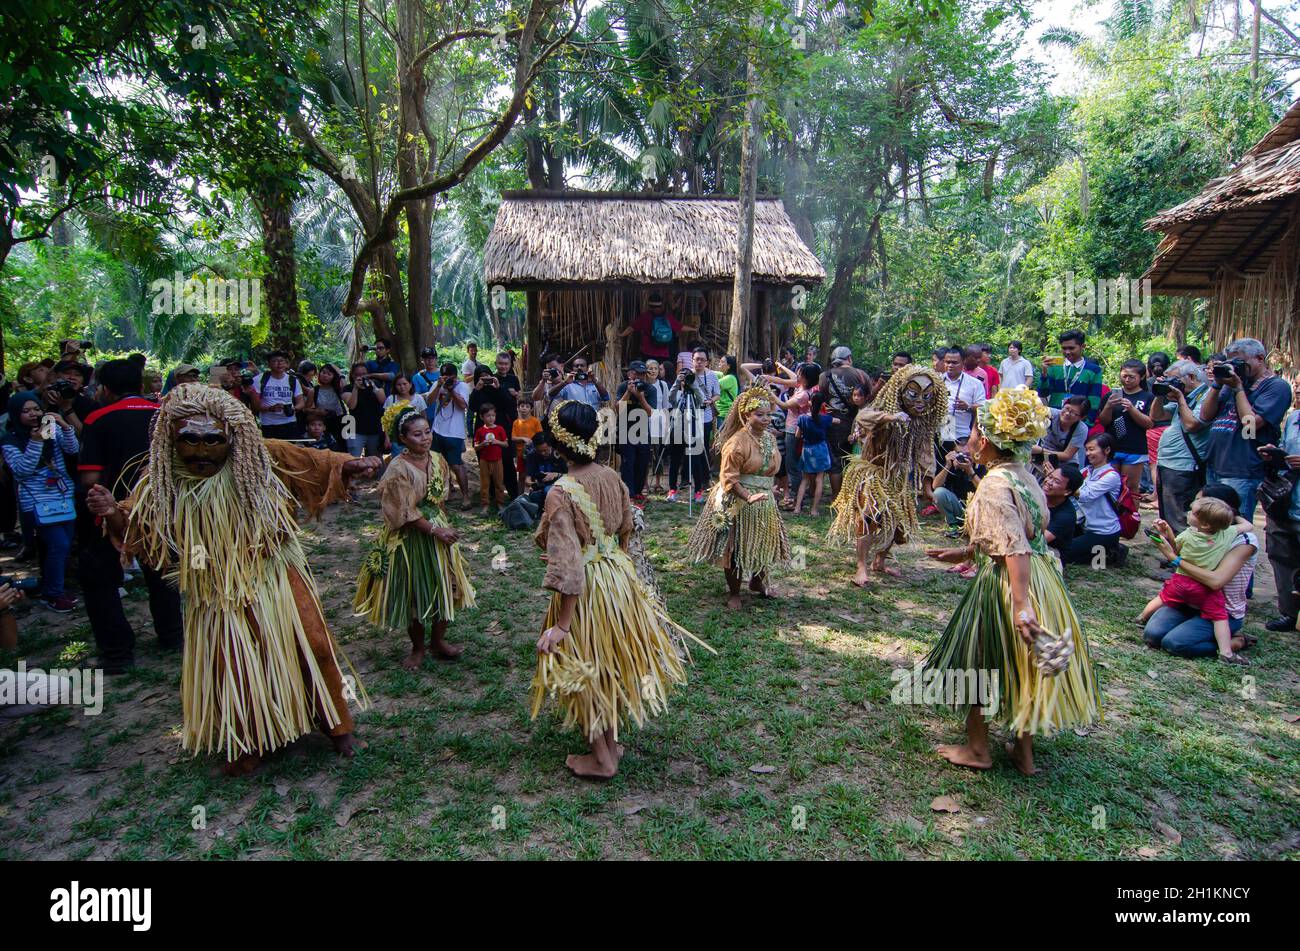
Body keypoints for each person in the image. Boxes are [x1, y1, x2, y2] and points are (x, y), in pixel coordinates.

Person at [86, 384, 380, 774]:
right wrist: (112, 512)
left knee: (313, 645)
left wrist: (347, 464)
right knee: (233, 665)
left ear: (232, 437)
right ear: (172, 439)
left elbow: (311, 459)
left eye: (213, 439)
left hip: (275, 573)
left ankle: (337, 726)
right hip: (216, 589)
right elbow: (139, 526)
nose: (200, 450)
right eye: (189, 439)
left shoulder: (262, 455)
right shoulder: (162, 477)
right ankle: (247, 744)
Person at [923, 387, 1100, 775]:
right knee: (1023, 664)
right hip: (1042, 577)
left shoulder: (992, 484)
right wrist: (967, 552)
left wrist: (1021, 604)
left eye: (973, 435)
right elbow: (1019, 532)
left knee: (982, 659)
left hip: (1010, 582)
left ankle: (977, 750)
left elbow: (1013, 546)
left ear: (984, 440)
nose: (969, 440)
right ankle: (1024, 752)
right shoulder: (1027, 476)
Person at [530, 400, 703, 779]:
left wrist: (562, 625)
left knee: (582, 665)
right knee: (608, 662)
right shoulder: (611, 475)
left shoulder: (560, 492)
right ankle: (610, 744)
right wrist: (607, 558)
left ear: (558, 446)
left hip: (588, 592)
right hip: (618, 581)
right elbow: (625, 526)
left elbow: (570, 567)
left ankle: (603, 760)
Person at [76, 359, 183, 673]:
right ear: (140, 386)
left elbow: (90, 478)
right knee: (162, 568)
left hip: (109, 513)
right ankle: (172, 636)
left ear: (105, 390)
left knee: (99, 579)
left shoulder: (98, 418)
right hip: (157, 508)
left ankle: (117, 654)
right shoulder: (162, 416)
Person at [355, 404, 475, 669]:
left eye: (427, 431)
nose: (426, 438)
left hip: (438, 532)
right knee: (415, 592)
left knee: (446, 586)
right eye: (417, 435)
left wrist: (442, 523)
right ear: (403, 439)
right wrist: (435, 529)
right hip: (410, 537)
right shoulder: (397, 469)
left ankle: (438, 641)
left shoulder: (437, 459)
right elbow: (403, 512)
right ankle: (418, 647)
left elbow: (439, 497)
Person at [831, 364, 947, 584]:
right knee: (867, 517)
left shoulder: (922, 424)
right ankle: (861, 566)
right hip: (873, 474)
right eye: (913, 394)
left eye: (927, 396)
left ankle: (880, 561)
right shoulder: (884, 409)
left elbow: (926, 455)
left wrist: (927, 486)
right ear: (901, 391)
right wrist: (890, 418)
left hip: (898, 478)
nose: (920, 401)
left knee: (897, 524)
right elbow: (864, 417)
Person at [687, 384, 791, 609]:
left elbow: (769, 467)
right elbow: (729, 478)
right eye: (760, 415)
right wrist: (746, 495)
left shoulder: (769, 439)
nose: (766, 419)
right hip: (738, 501)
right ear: (746, 415)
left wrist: (770, 487)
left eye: (768, 415)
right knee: (734, 546)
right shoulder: (736, 442)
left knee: (763, 543)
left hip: (763, 501)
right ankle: (734, 591)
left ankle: (757, 582)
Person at [1145, 484, 1259, 658]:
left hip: (1220, 610)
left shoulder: (1242, 539)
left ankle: (1235, 641)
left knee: (1175, 644)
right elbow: (1181, 554)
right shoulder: (1198, 531)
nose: (1193, 506)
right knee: (1152, 635)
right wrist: (1167, 538)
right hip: (1188, 600)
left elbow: (1216, 581)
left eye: (1199, 502)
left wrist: (1174, 559)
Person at [1197, 337, 1291, 522]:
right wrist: (1217, 383)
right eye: (1230, 362)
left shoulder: (1276, 386)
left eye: (1240, 362)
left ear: (1260, 358)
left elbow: (1251, 424)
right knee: (1211, 525)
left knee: (1234, 526)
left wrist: (1238, 389)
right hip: (1216, 464)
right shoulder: (1231, 383)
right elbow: (1205, 416)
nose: (1235, 367)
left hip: (1243, 470)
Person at [2, 392, 79, 612]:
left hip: (63, 498)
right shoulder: (11, 439)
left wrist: (64, 426)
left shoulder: (48, 430)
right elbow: (22, 470)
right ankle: (52, 594)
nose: (33, 414)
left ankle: (54, 587)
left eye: (36, 408)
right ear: (16, 414)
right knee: (59, 545)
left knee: (61, 546)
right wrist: (35, 442)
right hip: (37, 503)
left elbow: (72, 450)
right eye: (26, 411)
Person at [1151, 359, 1210, 533]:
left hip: (1183, 466)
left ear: (1191, 377)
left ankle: (1181, 557)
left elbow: (1192, 425)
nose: (1171, 385)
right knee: (1167, 516)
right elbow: (1157, 415)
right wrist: (1160, 394)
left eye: (1174, 380)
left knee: (1179, 517)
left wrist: (1179, 397)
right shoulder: (1184, 397)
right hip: (1169, 464)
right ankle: (1172, 554)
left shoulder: (1204, 397)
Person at [1258, 409, 1300, 631]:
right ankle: (1289, 613)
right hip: (1284, 502)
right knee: (1282, 558)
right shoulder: (1294, 418)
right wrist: (1276, 455)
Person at [1059, 433, 1124, 567]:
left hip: (1103, 531)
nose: (1088, 453)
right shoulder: (1087, 471)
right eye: (1087, 449)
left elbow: (1085, 495)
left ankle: (1110, 553)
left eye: (1092, 449)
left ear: (1107, 450)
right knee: (1056, 543)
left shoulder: (1111, 476)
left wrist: (1063, 484)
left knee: (1064, 554)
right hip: (1083, 525)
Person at [1098, 359, 1154, 496]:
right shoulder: (1111, 396)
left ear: (1141, 377)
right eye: (1124, 376)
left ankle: (1131, 516)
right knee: (1110, 486)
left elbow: (1149, 423)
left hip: (1134, 448)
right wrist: (1108, 406)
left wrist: (1131, 409)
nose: (1127, 380)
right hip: (1111, 447)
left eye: (1131, 377)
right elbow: (1104, 422)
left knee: (1130, 488)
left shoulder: (1147, 397)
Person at [818, 346, 869, 496]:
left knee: (835, 461)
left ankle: (836, 497)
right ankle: (852, 496)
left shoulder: (824, 376)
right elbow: (869, 397)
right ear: (849, 358)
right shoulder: (861, 375)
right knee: (855, 459)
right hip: (856, 422)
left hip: (833, 422)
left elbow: (822, 398)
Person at [426, 362, 473, 508]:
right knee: (435, 465)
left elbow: (463, 406)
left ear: (456, 376)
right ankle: (438, 496)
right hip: (437, 430)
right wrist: (439, 385)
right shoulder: (437, 384)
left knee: (456, 465)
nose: (447, 379)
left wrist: (452, 390)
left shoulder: (462, 386)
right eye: (444, 376)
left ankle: (465, 497)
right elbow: (429, 401)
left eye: (450, 377)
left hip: (454, 432)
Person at [774, 363, 817, 511]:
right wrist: (781, 366)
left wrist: (767, 390)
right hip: (794, 429)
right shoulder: (805, 388)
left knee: (792, 465)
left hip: (794, 431)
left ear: (806, 378)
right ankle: (797, 496)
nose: (797, 376)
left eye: (800, 374)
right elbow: (792, 377)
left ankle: (794, 497)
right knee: (793, 464)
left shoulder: (803, 394)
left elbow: (784, 405)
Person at [1038, 329, 1103, 423]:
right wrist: (1044, 373)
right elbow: (1043, 393)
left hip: (1078, 422)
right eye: (1064, 348)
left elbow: (1094, 400)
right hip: (1055, 419)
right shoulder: (1054, 367)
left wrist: (1087, 423)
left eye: (1071, 348)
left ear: (1082, 346)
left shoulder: (1094, 370)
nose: (1067, 352)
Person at [666, 361, 708, 502]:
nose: (686, 381)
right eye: (684, 378)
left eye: (687, 378)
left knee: (695, 461)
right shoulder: (678, 393)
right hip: (678, 429)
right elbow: (670, 398)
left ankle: (698, 492)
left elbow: (702, 400)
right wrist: (677, 382)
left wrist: (693, 384)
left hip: (693, 430)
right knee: (675, 460)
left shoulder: (695, 395)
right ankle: (672, 490)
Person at [615, 360, 655, 501]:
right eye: (636, 373)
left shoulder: (649, 389)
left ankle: (638, 491)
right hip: (625, 430)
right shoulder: (622, 387)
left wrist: (641, 397)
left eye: (642, 374)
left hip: (643, 431)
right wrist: (628, 392)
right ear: (629, 374)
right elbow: (619, 409)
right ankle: (628, 494)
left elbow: (650, 412)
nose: (639, 377)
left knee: (642, 463)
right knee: (628, 463)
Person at [932, 438, 984, 537]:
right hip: (960, 507)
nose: (964, 458)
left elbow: (984, 490)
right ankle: (954, 525)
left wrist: (970, 471)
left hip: (978, 510)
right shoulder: (952, 465)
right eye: (960, 454)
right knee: (939, 493)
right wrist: (947, 466)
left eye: (967, 454)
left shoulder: (982, 465)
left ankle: (974, 528)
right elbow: (935, 486)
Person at [1030, 395, 1089, 480]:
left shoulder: (1081, 429)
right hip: (1041, 458)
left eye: (1073, 413)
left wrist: (1041, 450)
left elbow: (1067, 455)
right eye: (1067, 408)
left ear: (1081, 417)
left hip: (1063, 464)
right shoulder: (1050, 413)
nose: (1067, 413)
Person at [793, 391, 833, 517]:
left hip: (807, 449)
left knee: (805, 479)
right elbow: (835, 421)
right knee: (819, 479)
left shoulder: (802, 418)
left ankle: (797, 508)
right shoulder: (826, 419)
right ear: (823, 405)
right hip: (820, 449)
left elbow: (797, 435)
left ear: (809, 402)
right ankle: (814, 509)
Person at [939, 347, 986, 451]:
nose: (950, 365)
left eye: (954, 363)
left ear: (963, 362)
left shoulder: (974, 384)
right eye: (947, 362)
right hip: (938, 435)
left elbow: (983, 408)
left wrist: (968, 407)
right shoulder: (936, 381)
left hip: (961, 436)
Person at [250, 351, 305, 439]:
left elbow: (301, 402)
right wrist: (270, 408)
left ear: (286, 364)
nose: (279, 364)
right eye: (275, 361)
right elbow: (255, 405)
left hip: (290, 423)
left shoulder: (293, 380)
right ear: (269, 364)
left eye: (282, 361)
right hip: (268, 424)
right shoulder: (258, 380)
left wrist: (293, 409)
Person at [620, 290, 682, 364]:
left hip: (647, 351)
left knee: (648, 371)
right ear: (661, 305)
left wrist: (621, 335)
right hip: (663, 352)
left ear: (649, 305)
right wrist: (694, 329)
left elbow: (631, 328)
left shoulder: (644, 317)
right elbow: (680, 327)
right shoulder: (667, 317)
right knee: (661, 372)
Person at [342, 363, 385, 457]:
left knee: (376, 460)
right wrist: (356, 388)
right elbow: (352, 406)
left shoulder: (375, 384)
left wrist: (373, 386)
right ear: (352, 375)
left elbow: (383, 400)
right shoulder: (347, 388)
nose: (361, 376)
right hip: (354, 429)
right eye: (357, 374)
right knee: (354, 459)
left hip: (374, 429)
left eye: (364, 374)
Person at [1041, 463, 1081, 560]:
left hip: (1051, 553)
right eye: (1050, 477)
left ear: (1067, 492)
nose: (1049, 482)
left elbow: (1039, 541)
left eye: (1056, 481)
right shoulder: (1039, 495)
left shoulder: (1066, 515)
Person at [473, 404, 508, 513]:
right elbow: (475, 447)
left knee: (499, 483)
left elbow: (506, 444)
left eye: (493, 415)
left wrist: (497, 442)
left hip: (497, 460)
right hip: (484, 460)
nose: (491, 418)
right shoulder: (480, 431)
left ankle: (500, 503)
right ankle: (485, 505)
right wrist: (482, 444)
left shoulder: (500, 429)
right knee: (485, 483)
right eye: (488, 416)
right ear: (482, 417)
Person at [643, 358, 671, 494]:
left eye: (656, 368)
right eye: (651, 368)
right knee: (644, 454)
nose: (653, 371)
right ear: (645, 370)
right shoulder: (642, 384)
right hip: (642, 423)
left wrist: (666, 424)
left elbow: (665, 406)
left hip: (658, 424)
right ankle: (645, 483)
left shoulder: (663, 385)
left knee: (657, 454)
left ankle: (658, 483)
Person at [524, 432, 567, 504]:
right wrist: (532, 484)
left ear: (550, 446)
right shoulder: (532, 456)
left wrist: (557, 474)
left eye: (545, 450)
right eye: (539, 451)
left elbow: (572, 476)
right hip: (540, 487)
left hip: (560, 487)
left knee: (548, 490)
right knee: (534, 495)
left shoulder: (560, 455)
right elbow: (527, 480)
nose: (542, 453)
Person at [312, 363, 347, 443]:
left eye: (329, 374)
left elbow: (345, 388)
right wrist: (316, 411)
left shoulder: (337, 389)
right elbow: (306, 409)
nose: (325, 376)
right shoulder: (315, 390)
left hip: (340, 422)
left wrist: (340, 374)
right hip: (323, 423)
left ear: (334, 376)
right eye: (323, 372)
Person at [512, 399, 542, 483]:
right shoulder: (516, 422)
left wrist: (532, 441)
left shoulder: (535, 421)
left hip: (534, 453)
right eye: (522, 406)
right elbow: (513, 437)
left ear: (531, 409)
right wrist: (523, 438)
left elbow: (540, 435)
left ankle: (534, 494)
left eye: (527, 407)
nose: (524, 408)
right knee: (522, 475)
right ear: (518, 408)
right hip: (521, 454)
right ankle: (520, 495)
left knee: (534, 474)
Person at [715, 354, 741, 420]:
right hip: (720, 412)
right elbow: (708, 372)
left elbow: (713, 385)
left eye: (722, 362)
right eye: (720, 361)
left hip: (724, 414)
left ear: (728, 366)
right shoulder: (722, 375)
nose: (719, 363)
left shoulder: (730, 378)